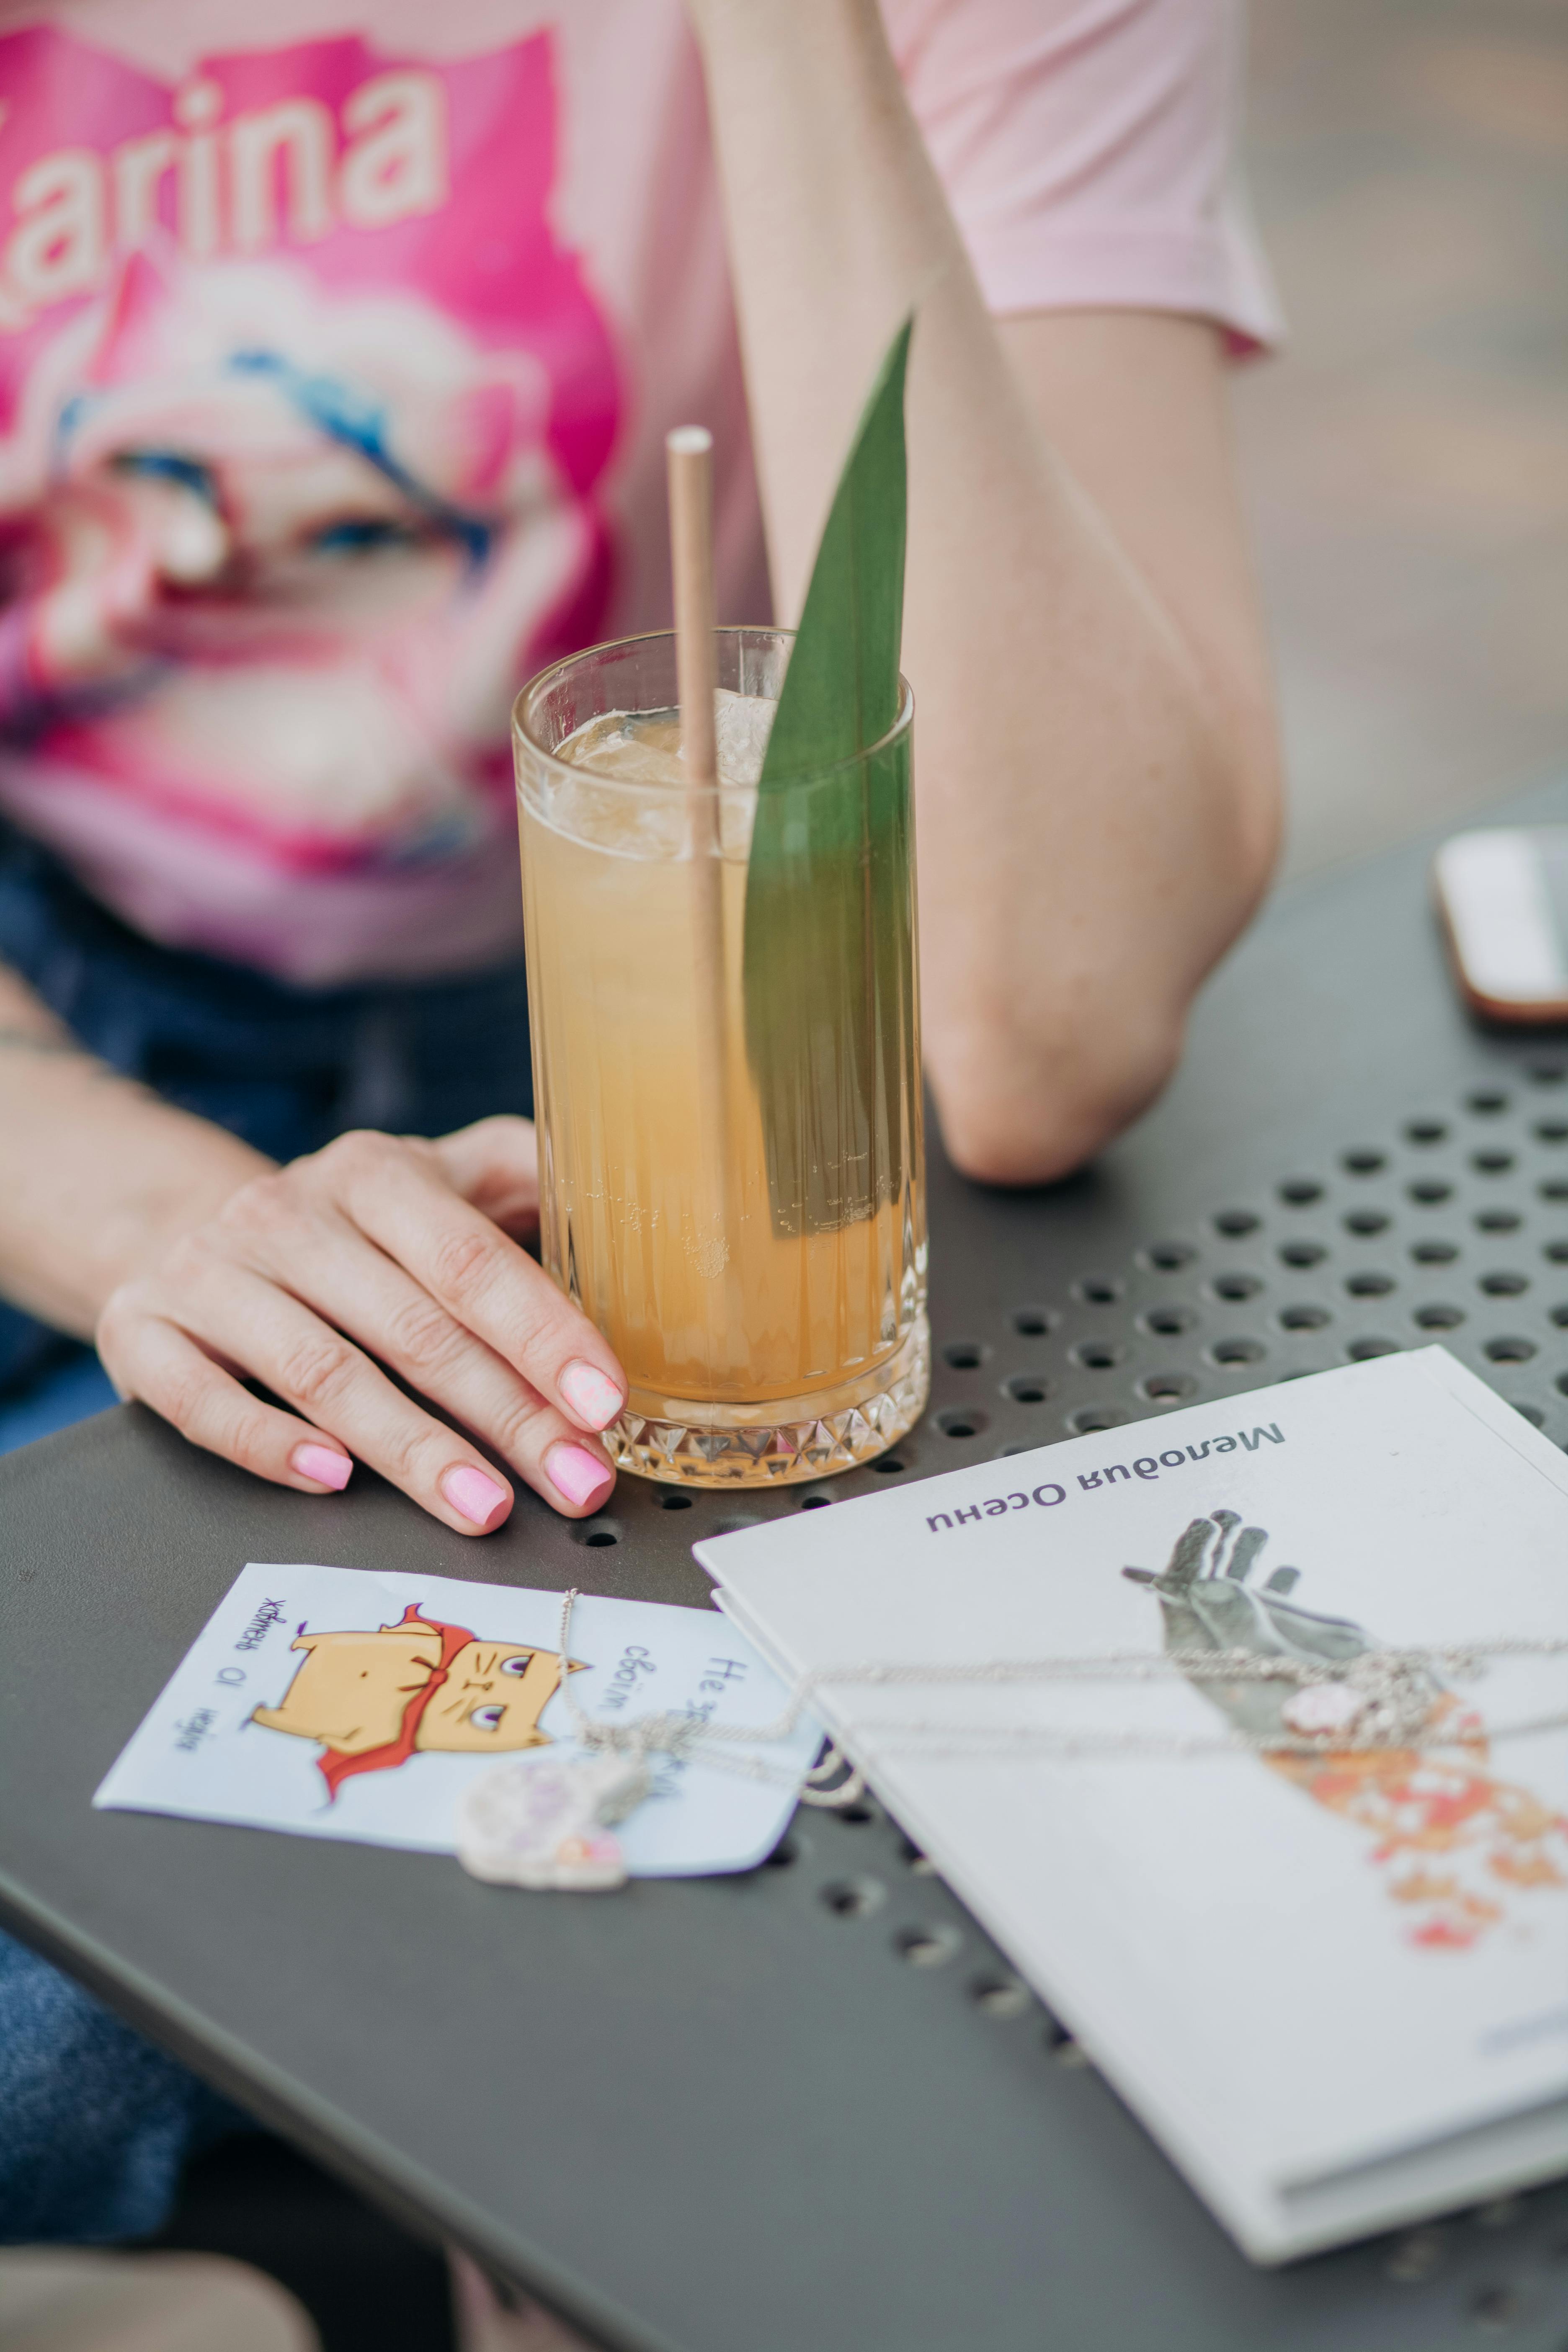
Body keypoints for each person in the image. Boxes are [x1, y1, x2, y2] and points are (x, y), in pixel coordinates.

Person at [0, 0, 1283, 2257]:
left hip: (740, 1040)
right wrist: (147, 1205)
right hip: (55, 1036)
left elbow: (1042, 1016)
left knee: (816, 1960)